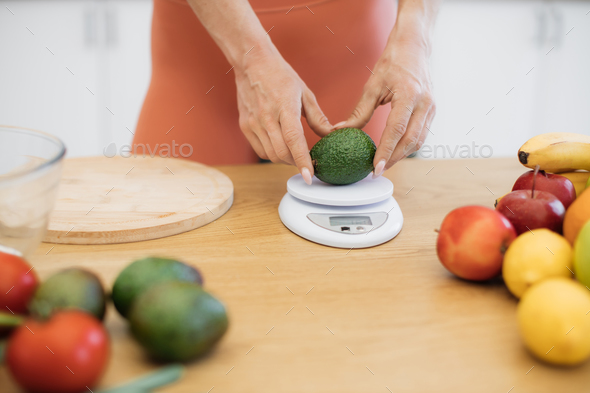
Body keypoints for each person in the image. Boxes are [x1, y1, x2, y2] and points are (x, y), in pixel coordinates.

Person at [134, 0, 439, 185]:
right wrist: (250, 58)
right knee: (165, 232)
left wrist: (416, 37)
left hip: (350, 63)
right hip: (198, 63)